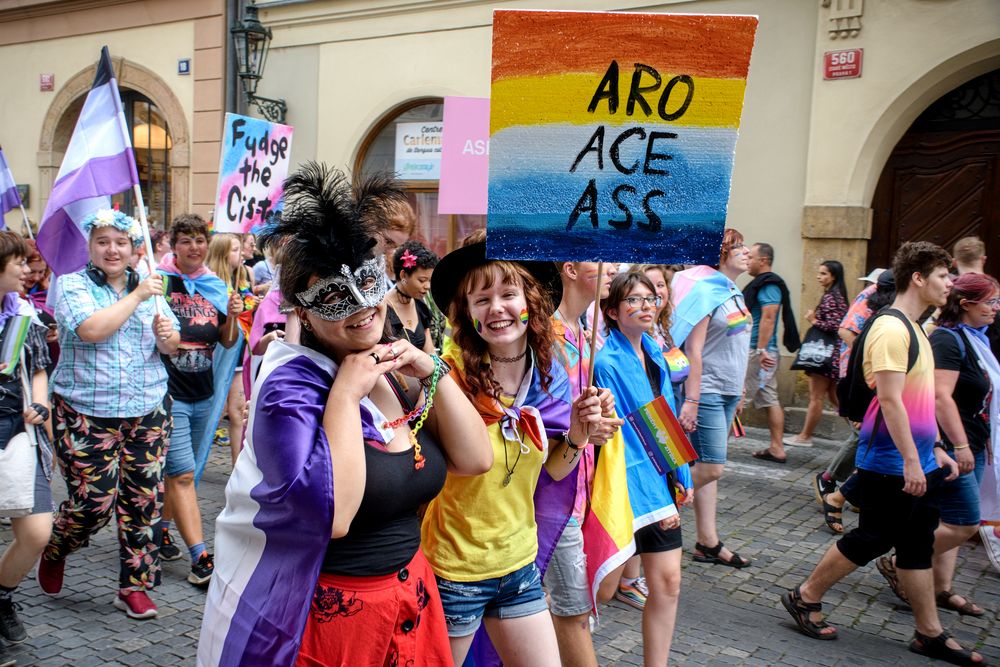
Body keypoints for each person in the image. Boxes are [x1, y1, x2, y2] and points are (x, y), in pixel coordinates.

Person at [198, 164, 491, 666]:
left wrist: (434, 371)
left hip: (412, 604)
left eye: (368, 281)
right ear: (303, 313)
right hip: (332, 625)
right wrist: (344, 394)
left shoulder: (391, 364)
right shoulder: (288, 392)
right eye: (334, 296)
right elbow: (335, 516)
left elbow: (476, 459)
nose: (362, 307)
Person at [780, 242, 986, 667]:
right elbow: (891, 402)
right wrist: (913, 459)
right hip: (891, 460)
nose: (949, 283)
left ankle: (929, 633)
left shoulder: (915, 327)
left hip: (916, 457)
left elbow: (919, 400)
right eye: (943, 276)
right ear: (918, 277)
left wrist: (937, 450)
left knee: (915, 542)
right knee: (872, 537)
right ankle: (805, 596)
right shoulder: (892, 328)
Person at [423, 240, 603, 667]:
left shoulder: (549, 373)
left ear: (530, 300)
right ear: (467, 313)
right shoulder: (448, 373)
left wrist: (577, 435)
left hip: (518, 564)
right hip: (455, 569)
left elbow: (555, 473)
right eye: (481, 299)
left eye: (508, 294)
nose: (497, 308)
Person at [38, 210, 180, 620]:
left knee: (144, 503)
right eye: (103, 241)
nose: (112, 249)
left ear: (135, 249)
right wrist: (136, 297)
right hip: (86, 411)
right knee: (93, 502)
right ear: (90, 247)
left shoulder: (152, 286)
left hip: (147, 409)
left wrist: (167, 336)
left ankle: (133, 587)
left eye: (121, 242)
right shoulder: (71, 285)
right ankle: (58, 543)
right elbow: (91, 330)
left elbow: (170, 347)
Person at [875, 273, 999, 616]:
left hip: (976, 441)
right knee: (965, 522)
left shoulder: (980, 340)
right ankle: (902, 561)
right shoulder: (948, 339)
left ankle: (941, 588)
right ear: (966, 304)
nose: (996, 308)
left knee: (953, 516)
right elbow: (941, 397)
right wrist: (957, 445)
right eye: (990, 302)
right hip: (956, 443)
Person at [595, 271, 693, 666]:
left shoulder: (655, 351)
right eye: (633, 300)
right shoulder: (605, 362)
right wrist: (657, 496)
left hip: (661, 479)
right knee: (603, 589)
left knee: (668, 583)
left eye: (650, 299)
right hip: (629, 485)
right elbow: (626, 437)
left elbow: (664, 418)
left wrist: (681, 476)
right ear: (613, 312)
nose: (645, 307)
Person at [156, 214, 241, 586]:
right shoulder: (160, 283)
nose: (194, 246)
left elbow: (225, 341)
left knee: (183, 471)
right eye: (186, 240)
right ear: (174, 245)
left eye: (199, 240)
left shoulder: (215, 286)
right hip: (167, 393)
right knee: (184, 473)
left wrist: (233, 317)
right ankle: (200, 557)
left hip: (203, 394)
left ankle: (159, 529)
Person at [547, 260, 620, 666]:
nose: (613, 269)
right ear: (570, 269)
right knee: (572, 607)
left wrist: (599, 407)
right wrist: (579, 431)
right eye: (601, 261)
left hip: (583, 483)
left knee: (589, 594)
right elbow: (539, 416)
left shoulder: (585, 331)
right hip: (554, 491)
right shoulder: (547, 334)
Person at [670, 229, 752, 568]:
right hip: (708, 390)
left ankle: (708, 541)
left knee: (705, 465)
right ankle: (656, 510)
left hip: (729, 389)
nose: (747, 252)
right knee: (712, 467)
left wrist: (741, 386)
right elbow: (694, 350)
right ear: (720, 253)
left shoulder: (731, 291)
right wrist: (691, 398)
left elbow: (739, 344)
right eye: (738, 247)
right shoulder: (705, 291)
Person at [0, 231, 53, 648]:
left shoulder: (22, 313)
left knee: (36, 532)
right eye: (18, 262)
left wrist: (40, 403)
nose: (27, 270)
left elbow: (37, 367)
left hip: (17, 435)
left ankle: (1, 596)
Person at [815, 270, 896, 533]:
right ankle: (832, 482)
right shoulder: (872, 294)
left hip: (880, 379)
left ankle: (846, 490)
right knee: (866, 436)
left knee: (868, 438)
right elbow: (846, 330)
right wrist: (869, 359)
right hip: (863, 377)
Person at [742, 242, 799, 464]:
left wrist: (762, 349)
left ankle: (717, 449)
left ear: (763, 260)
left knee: (739, 396)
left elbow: (769, 316)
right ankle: (777, 447)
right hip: (762, 350)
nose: (748, 261)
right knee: (768, 397)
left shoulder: (769, 285)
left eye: (751, 257)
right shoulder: (764, 283)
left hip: (758, 350)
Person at [785, 261, 848, 447]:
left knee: (816, 397)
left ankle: (805, 436)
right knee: (835, 398)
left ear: (833, 276)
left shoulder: (832, 298)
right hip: (832, 354)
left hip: (824, 355)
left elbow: (836, 326)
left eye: (823, 274)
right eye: (819, 273)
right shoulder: (836, 295)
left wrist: (813, 320)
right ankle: (860, 432)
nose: (819, 277)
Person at [206, 233, 256, 463]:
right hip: (216, 353)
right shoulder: (209, 282)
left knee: (238, 409)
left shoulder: (243, 276)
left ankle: (238, 466)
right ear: (223, 253)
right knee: (213, 410)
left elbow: (248, 303)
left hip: (239, 350)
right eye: (235, 249)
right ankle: (200, 454)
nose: (241, 254)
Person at [385, 240, 438, 354]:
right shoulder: (382, 309)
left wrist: (438, 369)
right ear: (403, 275)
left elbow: (431, 354)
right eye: (422, 280)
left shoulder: (421, 308)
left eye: (430, 281)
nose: (428, 286)